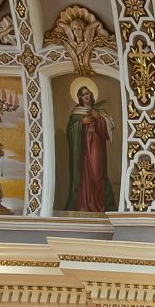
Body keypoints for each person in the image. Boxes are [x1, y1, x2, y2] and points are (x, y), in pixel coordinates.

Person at [63, 80, 114, 212]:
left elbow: (108, 129)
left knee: (97, 173)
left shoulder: (99, 112)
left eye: (87, 93)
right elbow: (70, 130)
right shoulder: (77, 113)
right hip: (83, 148)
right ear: (80, 98)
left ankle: (99, 204)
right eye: (83, 94)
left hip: (97, 145)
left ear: (91, 95)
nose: (86, 96)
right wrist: (81, 122)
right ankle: (84, 205)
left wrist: (98, 118)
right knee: (85, 173)